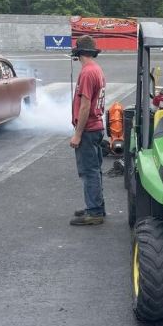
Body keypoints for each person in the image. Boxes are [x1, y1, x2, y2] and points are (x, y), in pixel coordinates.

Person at [70, 35, 107, 226]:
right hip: (97, 126)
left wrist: (77, 134)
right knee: (95, 170)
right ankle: (97, 206)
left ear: (79, 52)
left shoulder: (87, 73)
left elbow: (85, 106)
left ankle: (94, 212)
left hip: (88, 129)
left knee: (88, 171)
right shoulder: (97, 69)